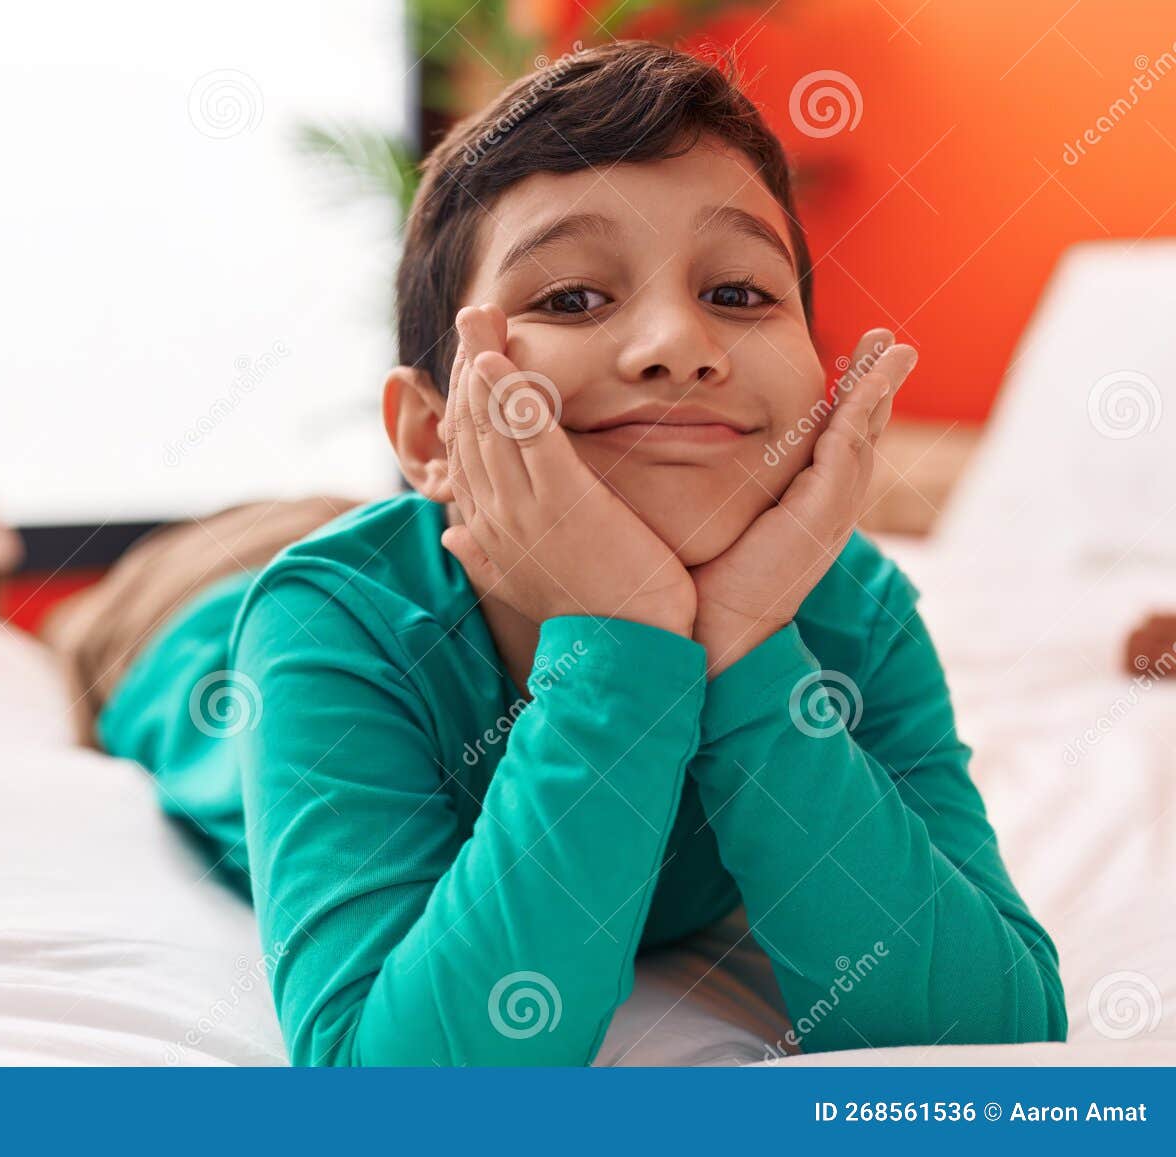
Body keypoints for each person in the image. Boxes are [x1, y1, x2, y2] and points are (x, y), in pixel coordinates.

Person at [101, 40, 1066, 1066]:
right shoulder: (326, 619)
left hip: (398, 530)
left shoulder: (851, 611)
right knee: (207, 574)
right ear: (429, 435)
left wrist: (743, 646)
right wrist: (625, 643)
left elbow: (997, 1031)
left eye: (737, 293)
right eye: (568, 298)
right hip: (189, 606)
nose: (677, 344)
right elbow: (393, 1089)